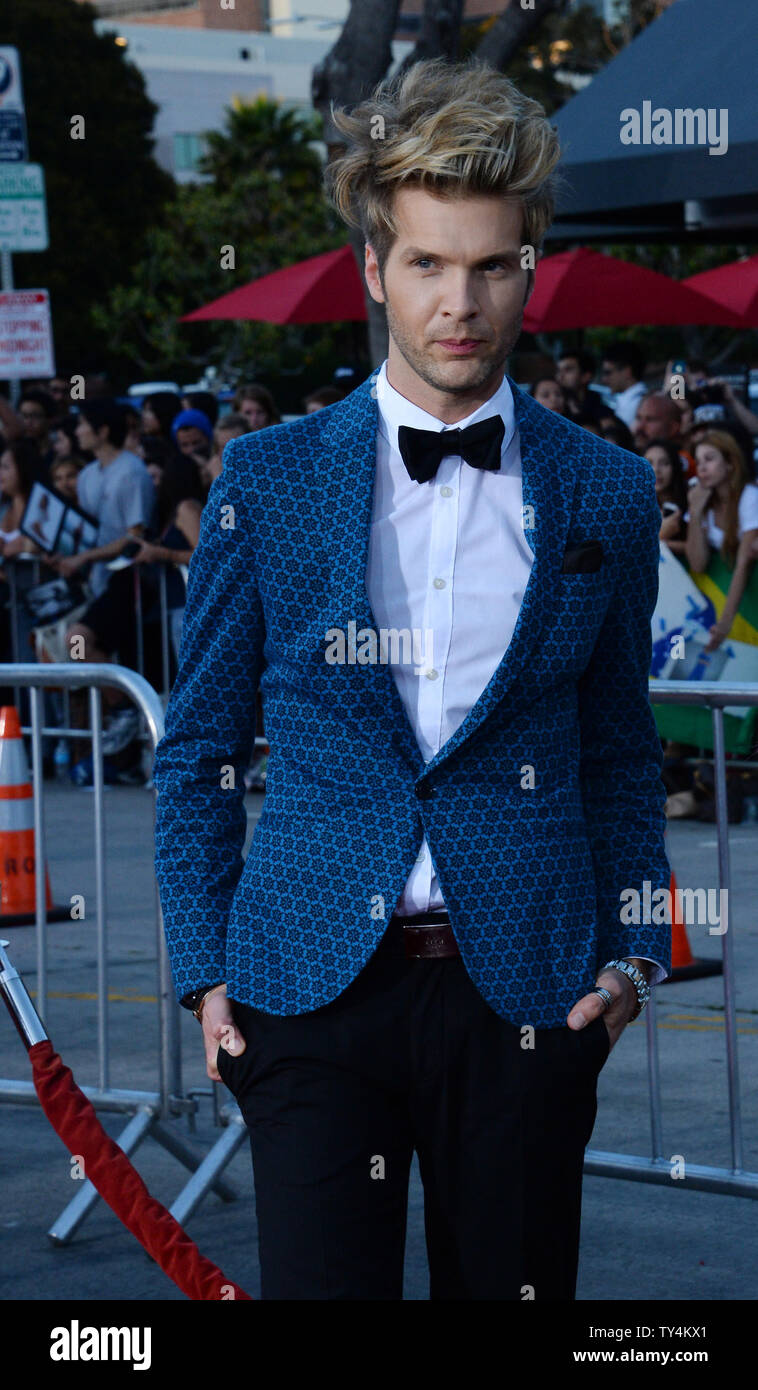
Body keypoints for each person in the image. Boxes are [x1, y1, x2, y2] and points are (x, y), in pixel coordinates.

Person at [153, 56, 670, 1303]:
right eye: (429, 264)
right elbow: (197, 745)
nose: (460, 301)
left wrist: (632, 956)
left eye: (490, 264)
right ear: (375, 270)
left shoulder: (607, 489)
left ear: (528, 270)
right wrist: (203, 969)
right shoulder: (267, 480)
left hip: (530, 1002)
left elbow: (619, 750)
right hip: (309, 996)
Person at [53, 399, 157, 757]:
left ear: (102, 431)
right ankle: (123, 714)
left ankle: (127, 707)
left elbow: (134, 535)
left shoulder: (131, 471)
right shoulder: (86, 475)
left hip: (128, 580)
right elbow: (86, 529)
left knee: (77, 639)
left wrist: (85, 556)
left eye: (83, 425)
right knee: (81, 647)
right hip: (96, 580)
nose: (77, 432)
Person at [685, 430, 758, 651]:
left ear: (730, 463)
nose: (702, 468)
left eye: (709, 459)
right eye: (698, 462)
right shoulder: (703, 501)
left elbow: (744, 562)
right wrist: (695, 513)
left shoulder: (750, 496)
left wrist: (725, 623)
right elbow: (697, 563)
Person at [133, 454, 203, 666]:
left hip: (189, 605)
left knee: (192, 675)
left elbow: (203, 556)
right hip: (177, 605)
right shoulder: (173, 512)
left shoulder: (187, 508)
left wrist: (162, 554)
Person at [644, 438, 688, 556]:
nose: (656, 470)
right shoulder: (633, 508)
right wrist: (663, 535)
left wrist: (661, 541)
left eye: (664, 463)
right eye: (649, 463)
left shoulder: (690, 501)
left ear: (674, 467)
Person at [600, 341, 647, 429]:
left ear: (627, 371)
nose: (604, 379)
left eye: (608, 373)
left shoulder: (638, 405)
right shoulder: (629, 401)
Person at [556, 351, 606, 423]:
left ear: (585, 376)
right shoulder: (554, 406)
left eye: (568, 370)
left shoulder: (600, 409)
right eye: (558, 370)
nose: (560, 376)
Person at [202, 413, 248, 490]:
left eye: (233, 447)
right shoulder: (212, 468)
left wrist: (217, 478)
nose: (228, 453)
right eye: (222, 447)